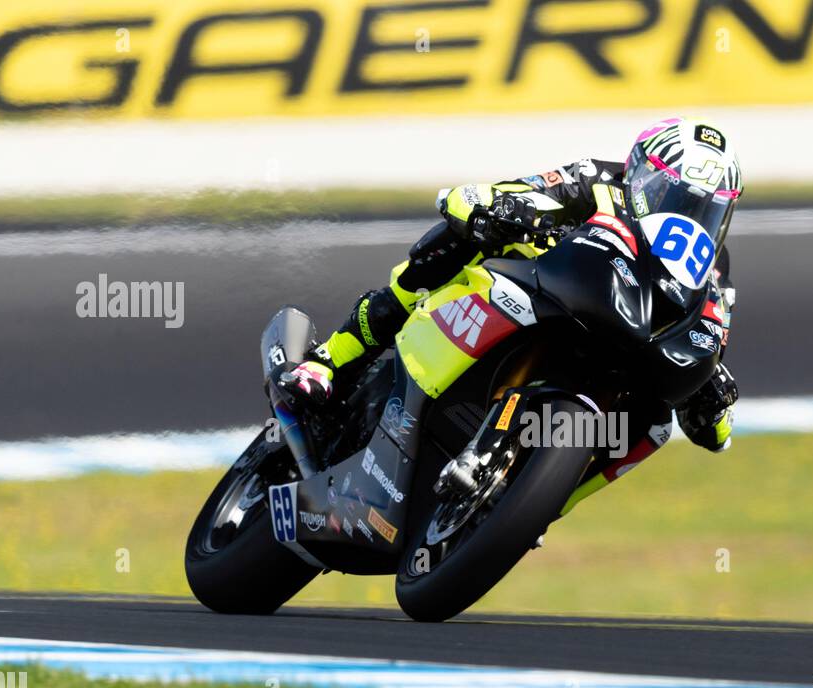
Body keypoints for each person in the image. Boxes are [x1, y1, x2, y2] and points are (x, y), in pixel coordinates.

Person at [276, 118, 742, 471]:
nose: (688, 213)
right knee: (458, 242)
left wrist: (713, 396)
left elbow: (709, 351)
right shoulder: (598, 180)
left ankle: (542, 505)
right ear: (641, 174)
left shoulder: (712, 270)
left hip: (621, 342)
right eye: (675, 195)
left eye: (707, 207)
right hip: (548, 286)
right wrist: (492, 208)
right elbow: (514, 193)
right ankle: (329, 360)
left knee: (654, 421)